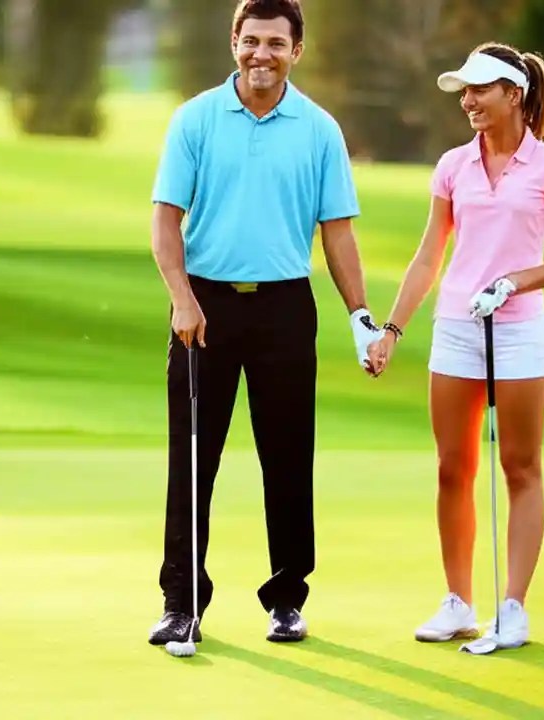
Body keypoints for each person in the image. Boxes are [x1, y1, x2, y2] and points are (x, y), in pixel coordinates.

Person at [147, 0, 383, 646]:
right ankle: (181, 602)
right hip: (205, 307)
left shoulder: (319, 130)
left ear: (296, 51)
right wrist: (182, 298)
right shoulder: (195, 119)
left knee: (287, 458)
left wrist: (361, 317)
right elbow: (165, 221)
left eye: (276, 43)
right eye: (251, 40)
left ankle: (287, 599)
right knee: (193, 459)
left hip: (285, 307)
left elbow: (338, 234)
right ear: (234, 42)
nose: (262, 54)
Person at [366, 42, 544, 650]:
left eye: (479, 89)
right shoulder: (453, 165)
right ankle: (458, 603)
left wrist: (515, 280)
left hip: (519, 332)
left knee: (520, 467)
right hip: (457, 329)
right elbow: (428, 255)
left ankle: (512, 608)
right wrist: (391, 331)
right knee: (452, 468)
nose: (467, 100)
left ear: (513, 94)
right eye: (463, 91)